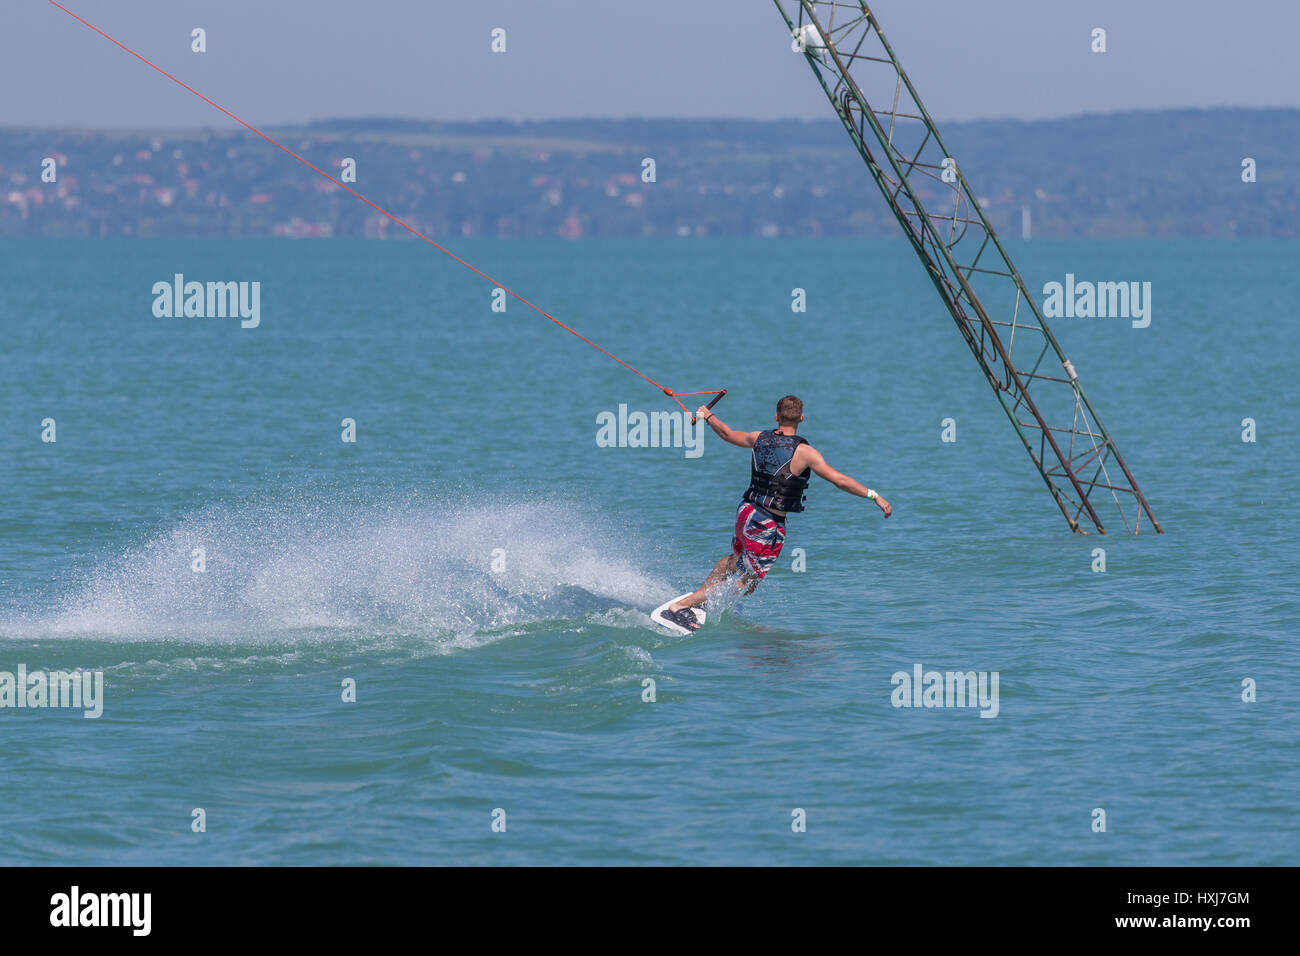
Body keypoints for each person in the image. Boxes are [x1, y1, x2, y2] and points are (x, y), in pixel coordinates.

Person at [659, 395, 891, 632]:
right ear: (801, 418)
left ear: (776, 417)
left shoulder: (759, 438)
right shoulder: (806, 453)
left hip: (746, 511)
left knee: (736, 561)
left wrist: (707, 416)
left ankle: (706, 598)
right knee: (750, 577)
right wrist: (874, 495)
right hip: (765, 523)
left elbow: (728, 434)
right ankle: (682, 606)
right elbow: (839, 480)